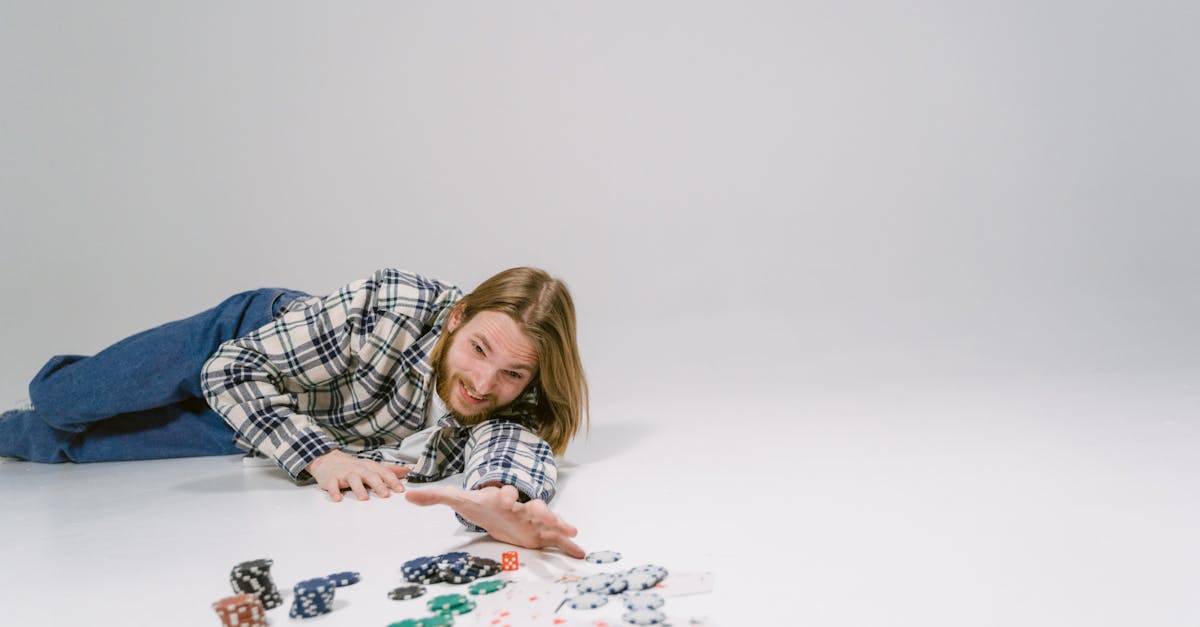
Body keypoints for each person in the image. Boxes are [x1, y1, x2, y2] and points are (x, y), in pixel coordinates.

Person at [0, 267, 588, 557]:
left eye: (513, 373)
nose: (484, 384)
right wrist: (321, 457)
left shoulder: (518, 401)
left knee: (63, 446)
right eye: (479, 350)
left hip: (271, 423)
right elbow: (231, 371)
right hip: (244, 349)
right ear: (457, 317)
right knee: (63, 403)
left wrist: (496, 501)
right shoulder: (389, 306)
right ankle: (82, 388)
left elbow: (510, 451)